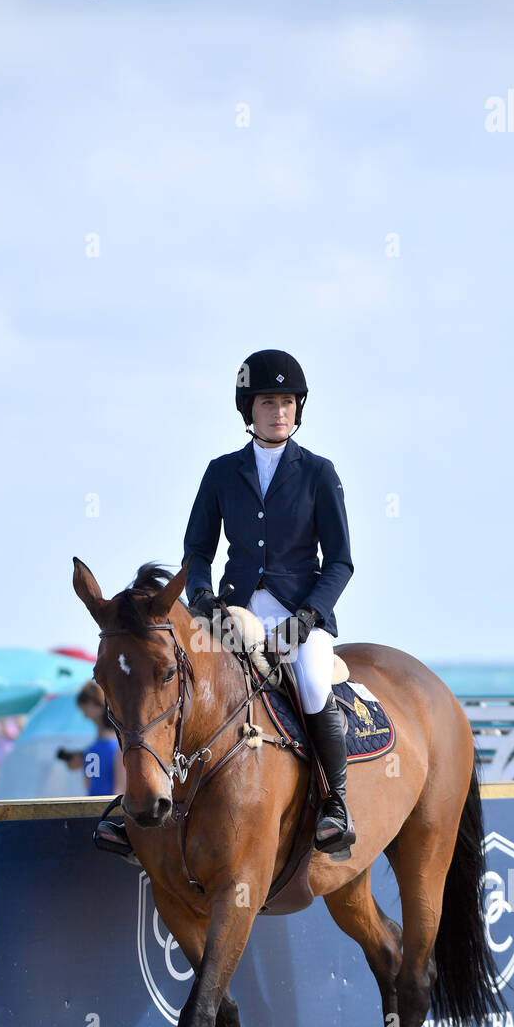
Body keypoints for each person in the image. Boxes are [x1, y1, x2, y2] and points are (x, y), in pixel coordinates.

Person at [95, 348, 355, 862]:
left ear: (298, 408)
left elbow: (341, 561)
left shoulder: (319, 473)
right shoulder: (220, 472)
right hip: (231, 612)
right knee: (178, 680)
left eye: (286, 402)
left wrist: (308, 617)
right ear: (248, 410)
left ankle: (335, 805)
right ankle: (140, 807)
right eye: (266, 402)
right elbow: (197, 551)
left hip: (297, 614)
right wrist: (204, 601)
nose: (277, 411)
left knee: (311, 682)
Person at [57, 681, 124, 796]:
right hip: (95, 808)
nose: (84, 715)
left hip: (108, 808)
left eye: (84, 708)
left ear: (94, 704)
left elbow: (120, 789)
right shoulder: (96, 747)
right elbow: (90, 783)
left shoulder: (117, 745)